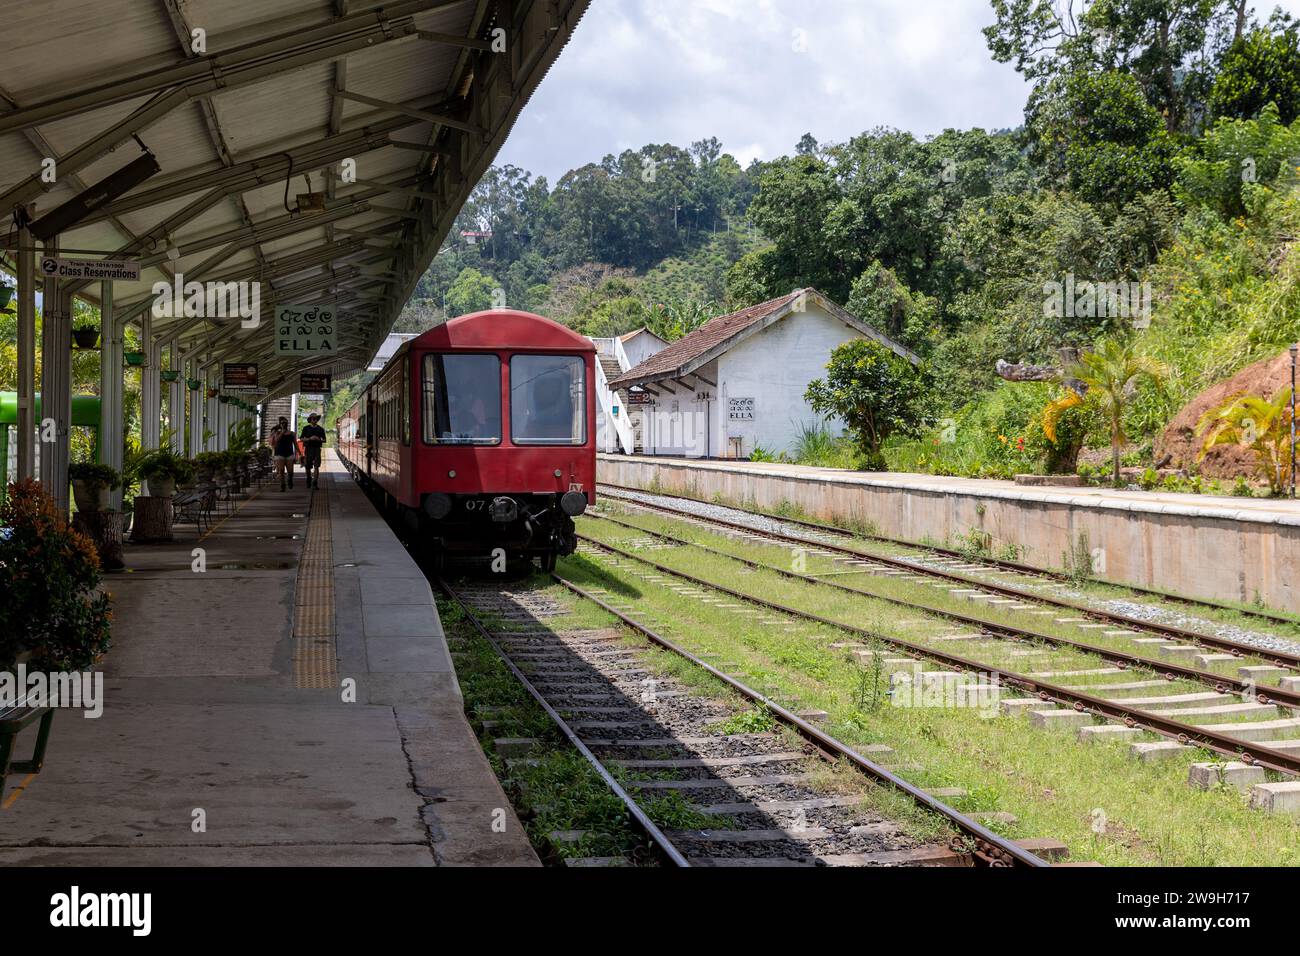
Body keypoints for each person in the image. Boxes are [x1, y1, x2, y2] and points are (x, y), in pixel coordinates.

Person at [300, 413, 327, 489]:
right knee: (307, 467)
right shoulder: (306, 428)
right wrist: (309, 439)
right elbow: (301, 438)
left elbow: (324, 440)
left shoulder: (320, 429)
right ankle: (309, 479)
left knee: (316, 466)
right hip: (308, 449)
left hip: (317, 449)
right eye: (313, 419)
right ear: (310, 420)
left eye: (315, 419)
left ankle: (315, 482)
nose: (314, 420)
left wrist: (319, 439)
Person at [272, 416, 298, 491]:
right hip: (280, 453)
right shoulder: (278, 433)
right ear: (280, 424)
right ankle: (282, 485)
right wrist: (282, 433)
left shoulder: (292, 434)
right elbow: (276, 441)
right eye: (282, 423)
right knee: (281, 470)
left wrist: (299, 453)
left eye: (285, 423)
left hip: (289, 453)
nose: (284, 424)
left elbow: (295, 444)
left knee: (290, 472)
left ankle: (290, 479)